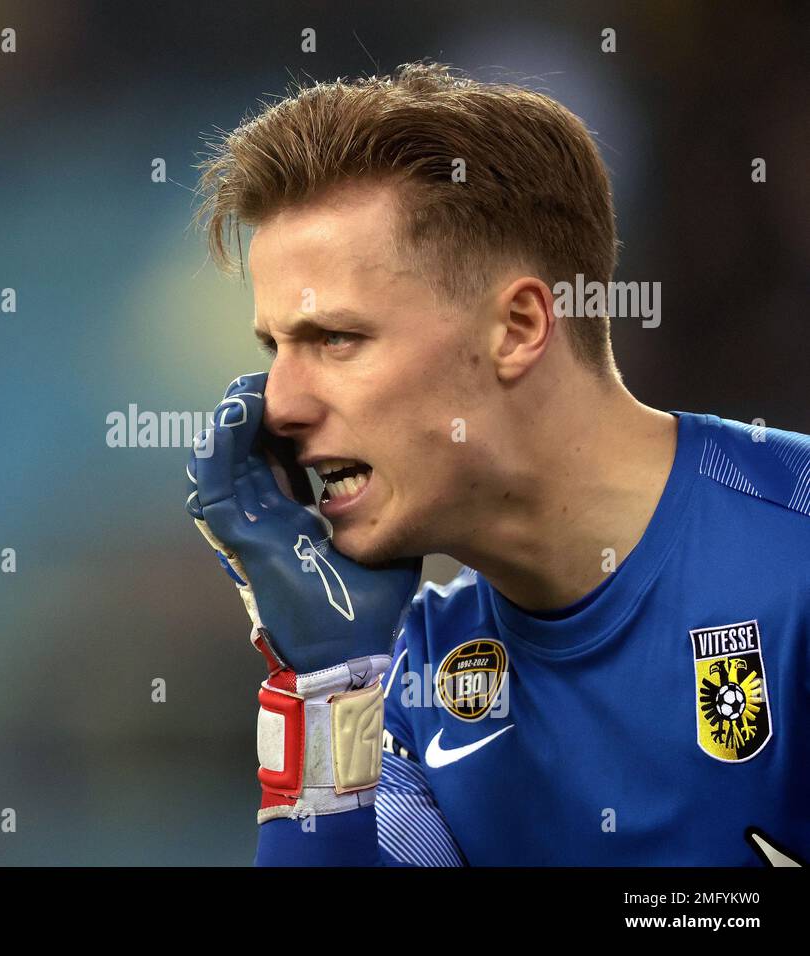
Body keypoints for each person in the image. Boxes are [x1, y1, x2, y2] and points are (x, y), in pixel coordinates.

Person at [184, 63, 809, 866]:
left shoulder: (792, 555)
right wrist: (324, 692)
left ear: (516, 328)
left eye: (336, 339)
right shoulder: (408, 686)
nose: (281, 405)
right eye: (275, 349)